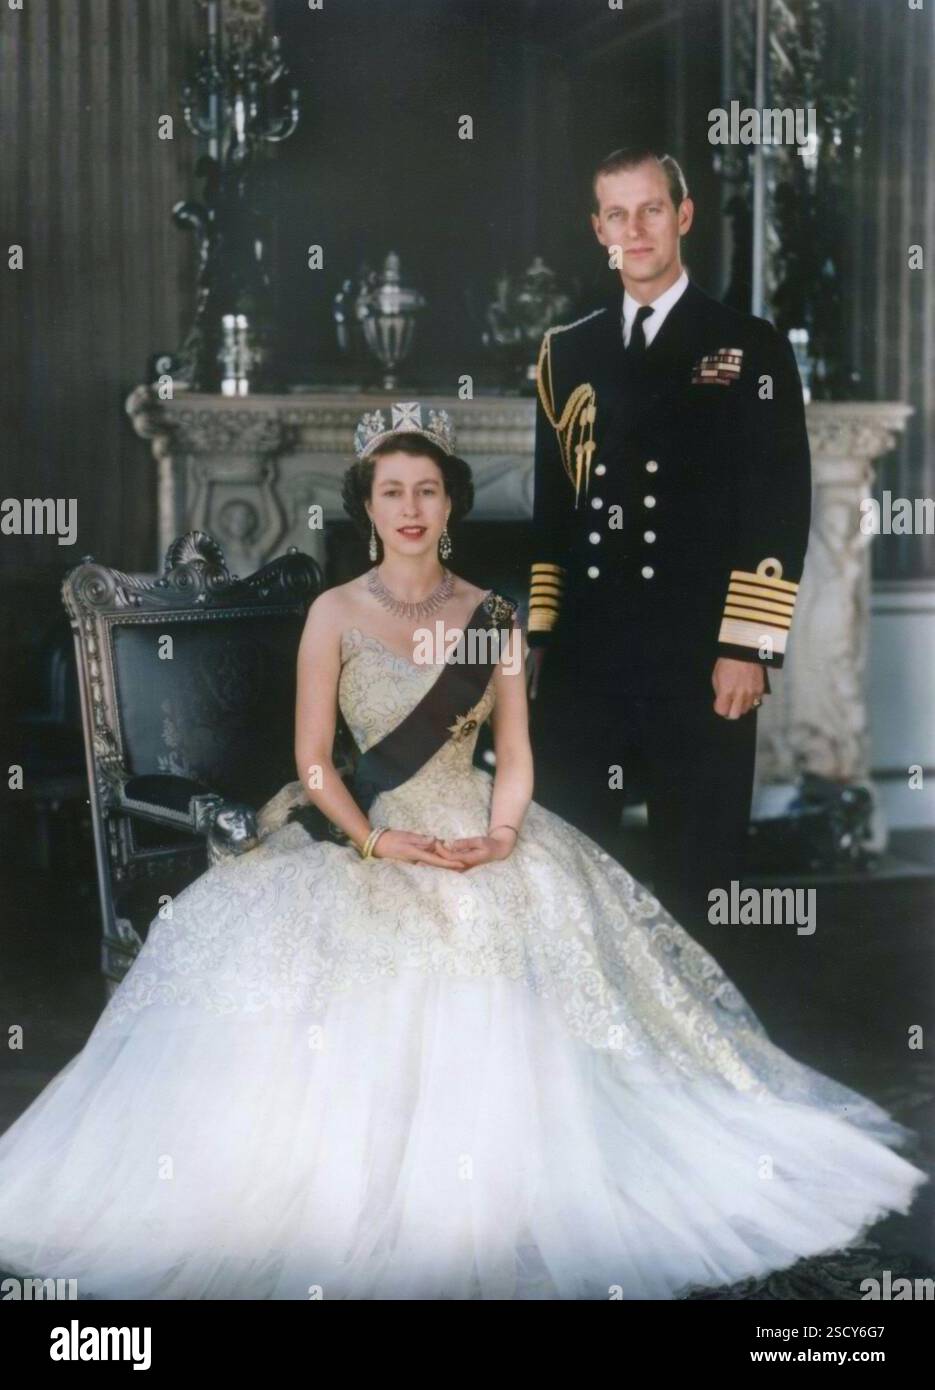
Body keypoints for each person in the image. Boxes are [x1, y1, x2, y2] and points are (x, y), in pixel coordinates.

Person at [0, 402, 924, 1302]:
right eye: (391, 491)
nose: (410, 508)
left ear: (450, 503)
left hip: (476, 823)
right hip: (364, 827)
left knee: (515, 923)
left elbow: (513, 756)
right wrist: (375, 839)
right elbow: (312, 762)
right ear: (366, 504)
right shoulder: (332, 612)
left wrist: (503, 835)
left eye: (427, 490)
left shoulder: (493, 615)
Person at [527, 148, 811, 958]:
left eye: (651, 209)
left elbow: (777, 507)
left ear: (682, 215)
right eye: (617, 214)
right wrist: (540, 635)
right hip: (586, 654)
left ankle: (700, 1024)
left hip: (698, 653)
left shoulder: (748, 346)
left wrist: (746, 646)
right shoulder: (566, 351)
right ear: (598, 231)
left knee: (700, 873)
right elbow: (554, 510)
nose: (636, 228)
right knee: (570, 861)